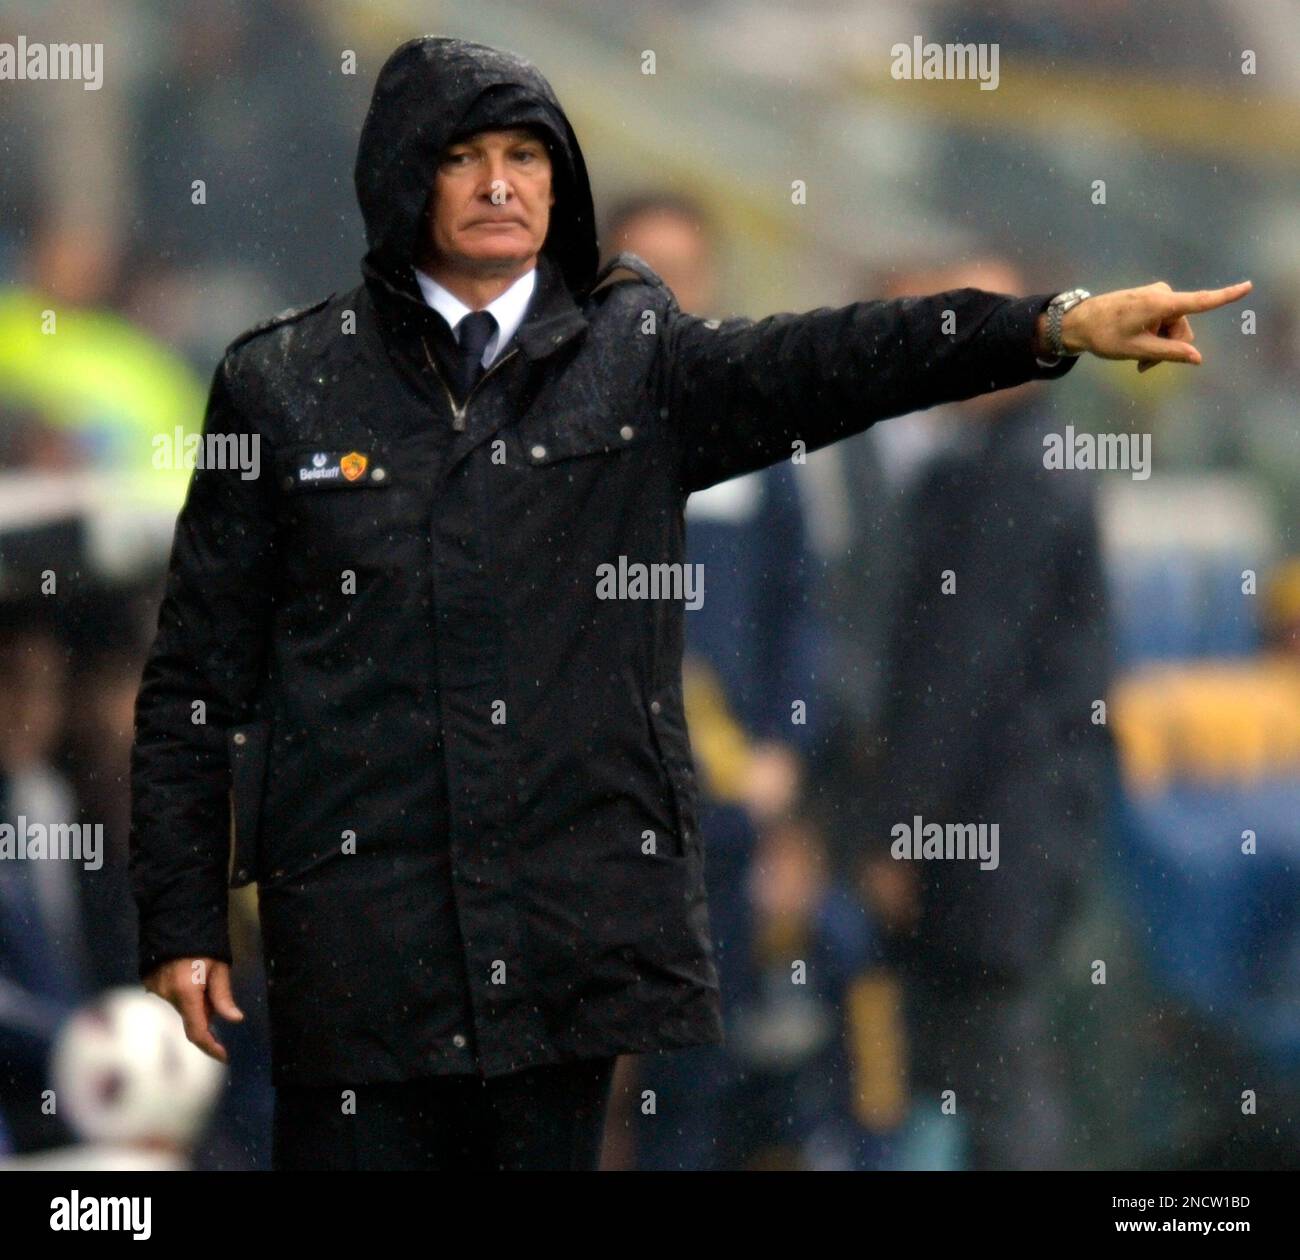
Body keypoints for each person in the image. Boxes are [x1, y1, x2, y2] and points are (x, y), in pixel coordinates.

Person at [128, 35, 1252, 1172]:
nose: (500, 182)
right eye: (462, 156)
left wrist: (1044, 328)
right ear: (399, 175)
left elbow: (842, 356)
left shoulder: (633, 364)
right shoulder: (283, 384)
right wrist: (179, 920)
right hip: (358, 947)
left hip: (559, 944)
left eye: (526, 153)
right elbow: (192, 680)